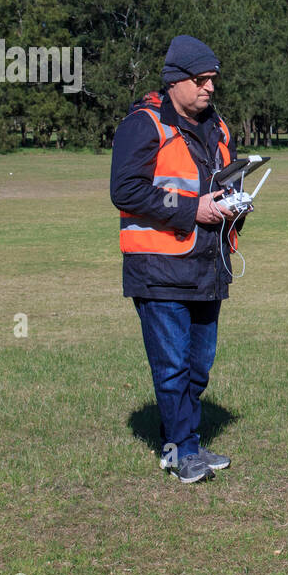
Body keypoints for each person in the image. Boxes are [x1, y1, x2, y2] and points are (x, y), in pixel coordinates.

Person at [110, 35, 245, 483]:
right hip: (159, 267)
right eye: (201, 80)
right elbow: (125, 191)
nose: (209, 88)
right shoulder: (143, 124)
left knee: (199, 366)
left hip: (209, 265)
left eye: (213, 80)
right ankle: (179, 451)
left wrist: (232, 206)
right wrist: (193, 209)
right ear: (175, 82)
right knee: (171, 368)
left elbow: (218, 186)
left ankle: (189, 443)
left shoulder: (218, 128)